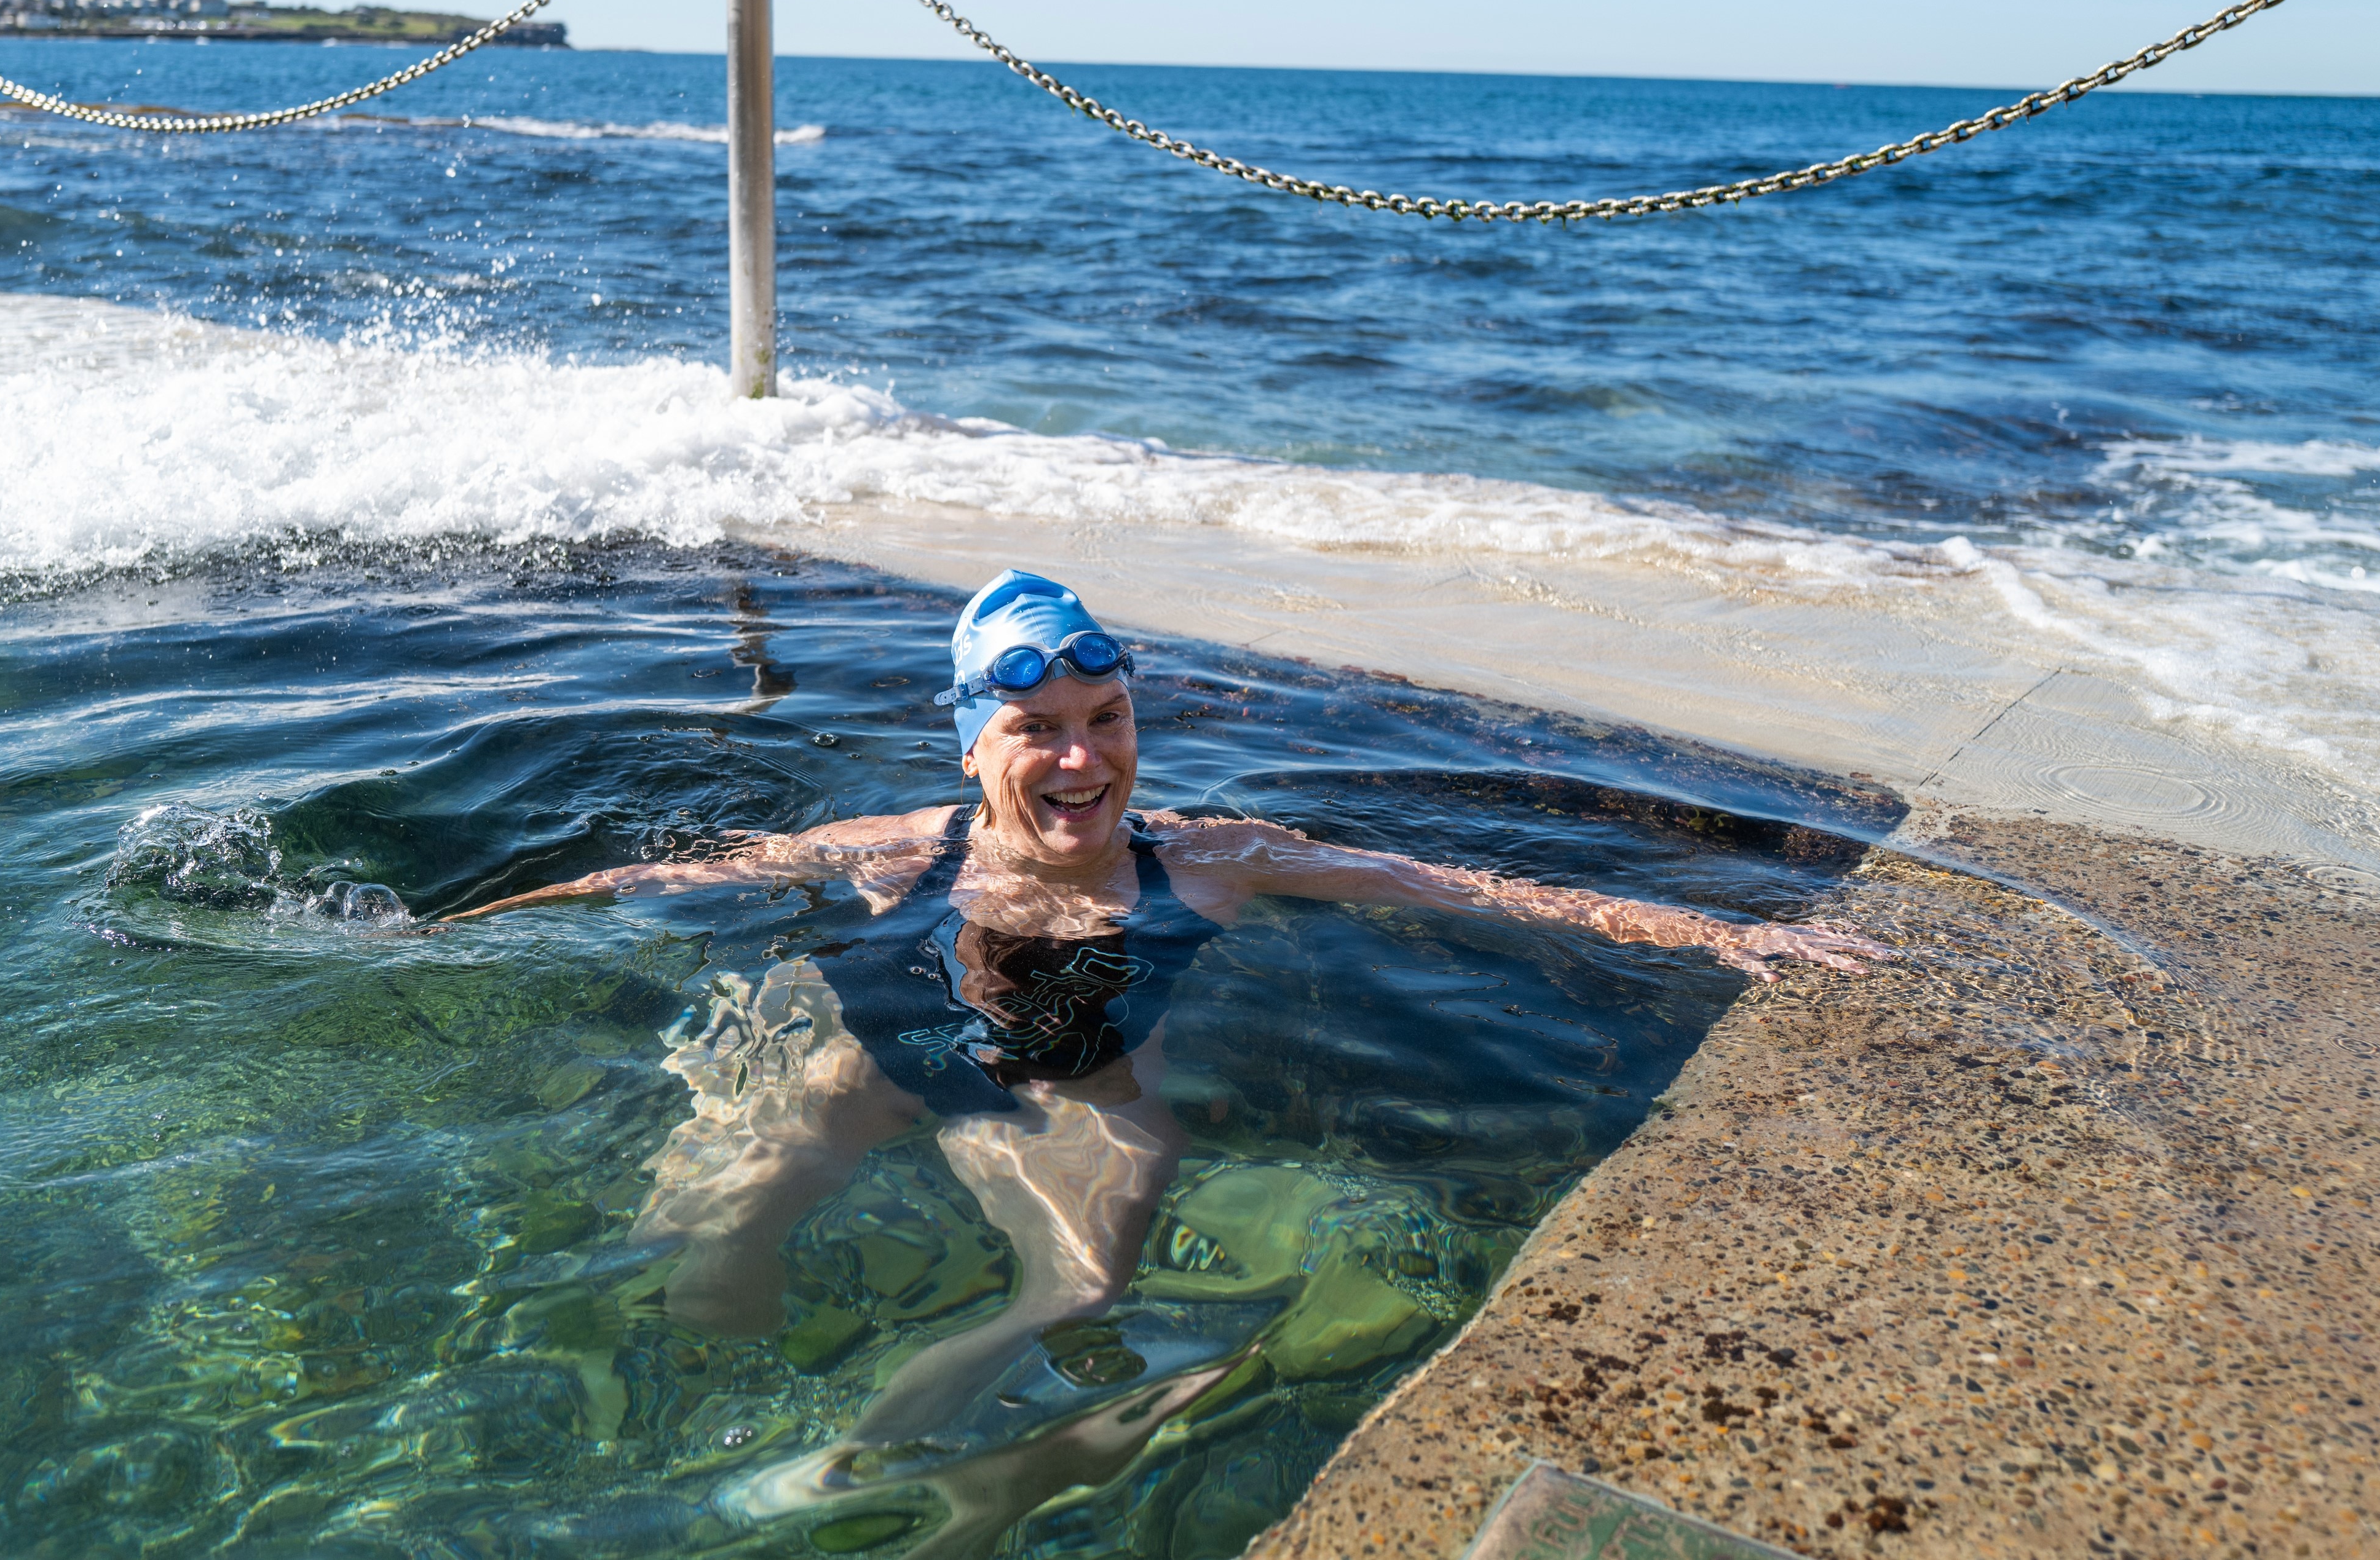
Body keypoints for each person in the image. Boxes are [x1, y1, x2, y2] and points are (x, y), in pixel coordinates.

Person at [432, 569, 1886, 1525]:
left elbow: (1471, 889)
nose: (1082, 758)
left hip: (1085, 1096)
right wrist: (441, 934)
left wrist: (1722, 939)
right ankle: (652, 1448)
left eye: (1105, 717)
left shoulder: (1211, 858)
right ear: (971, 745)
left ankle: (869, 1482)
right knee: (719, 1234)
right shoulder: (897, 848)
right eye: (1039, 727)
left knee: (1083, 1293)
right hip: (877, 1056)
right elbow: (657, 877)